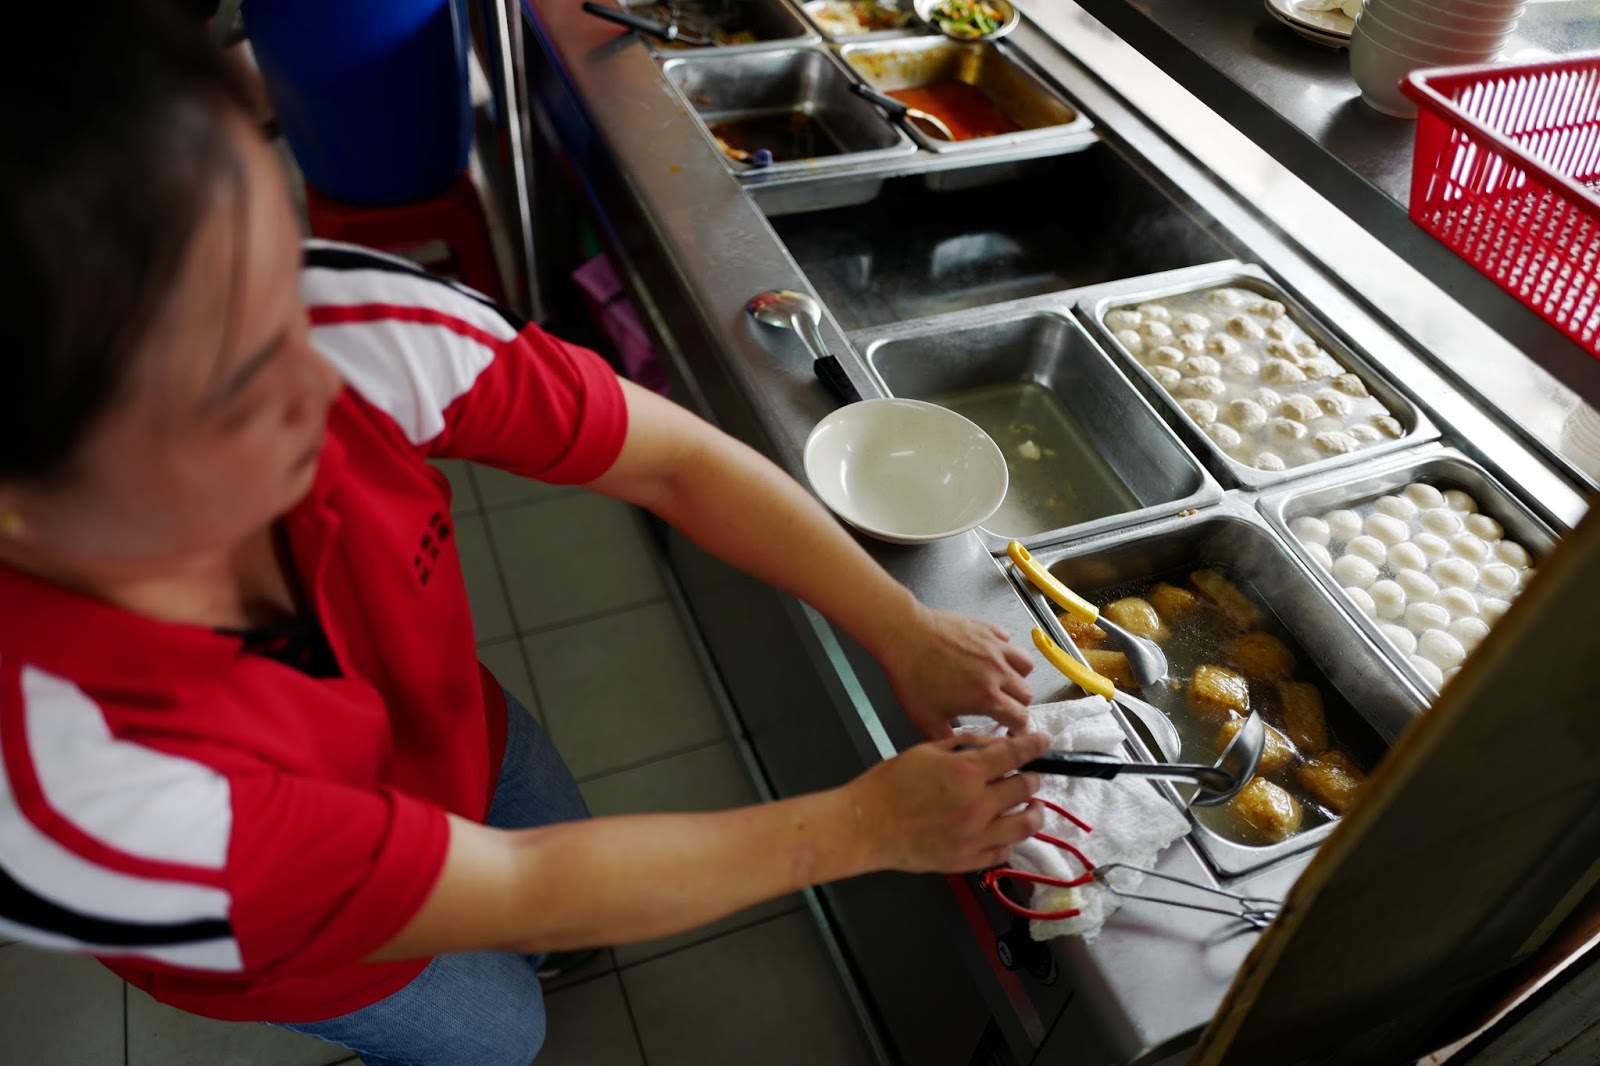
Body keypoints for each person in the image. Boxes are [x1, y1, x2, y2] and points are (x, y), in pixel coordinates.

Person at [0, 5, 1047, 1065]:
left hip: (456, 730)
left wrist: (898, 624)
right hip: (312, 942)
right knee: (502, 1033)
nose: (308, 376)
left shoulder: (331, 319)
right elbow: (524, 885)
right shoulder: (60, 789)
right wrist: (866, 829)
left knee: (547, 853)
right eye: (224, 391)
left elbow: (668, 460)